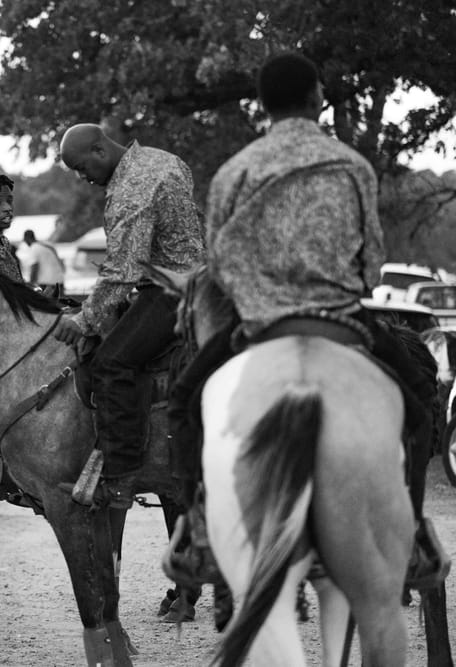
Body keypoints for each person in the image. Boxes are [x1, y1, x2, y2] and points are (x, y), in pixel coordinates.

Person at [169, 53, 438, 570]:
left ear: (263, 105)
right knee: (420, 404)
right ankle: (414, 535)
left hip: (259, 325)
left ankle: (195, 532)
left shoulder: (233, 171)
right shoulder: (353, 166)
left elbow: (218, 265)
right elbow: (373, 263)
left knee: (184, 402)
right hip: (341, 319)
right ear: (317, 98)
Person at [54, 123, 205, 509]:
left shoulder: (131, 189)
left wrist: (83, 321)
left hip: (171, 291)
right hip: (196, 280)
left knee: (110, 363)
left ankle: (119, 477)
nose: (81, 177)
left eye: (81, 167)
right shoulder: (164, 159)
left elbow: (124, 269)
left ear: (100, 151)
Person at [19, 229, 65, 298]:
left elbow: (34, 266)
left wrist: (31, 283)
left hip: (46, 283)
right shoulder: (47, 245)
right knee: (60, 304)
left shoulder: (34, 248)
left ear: (27, 239)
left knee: (47, 305)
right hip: (59, 280)